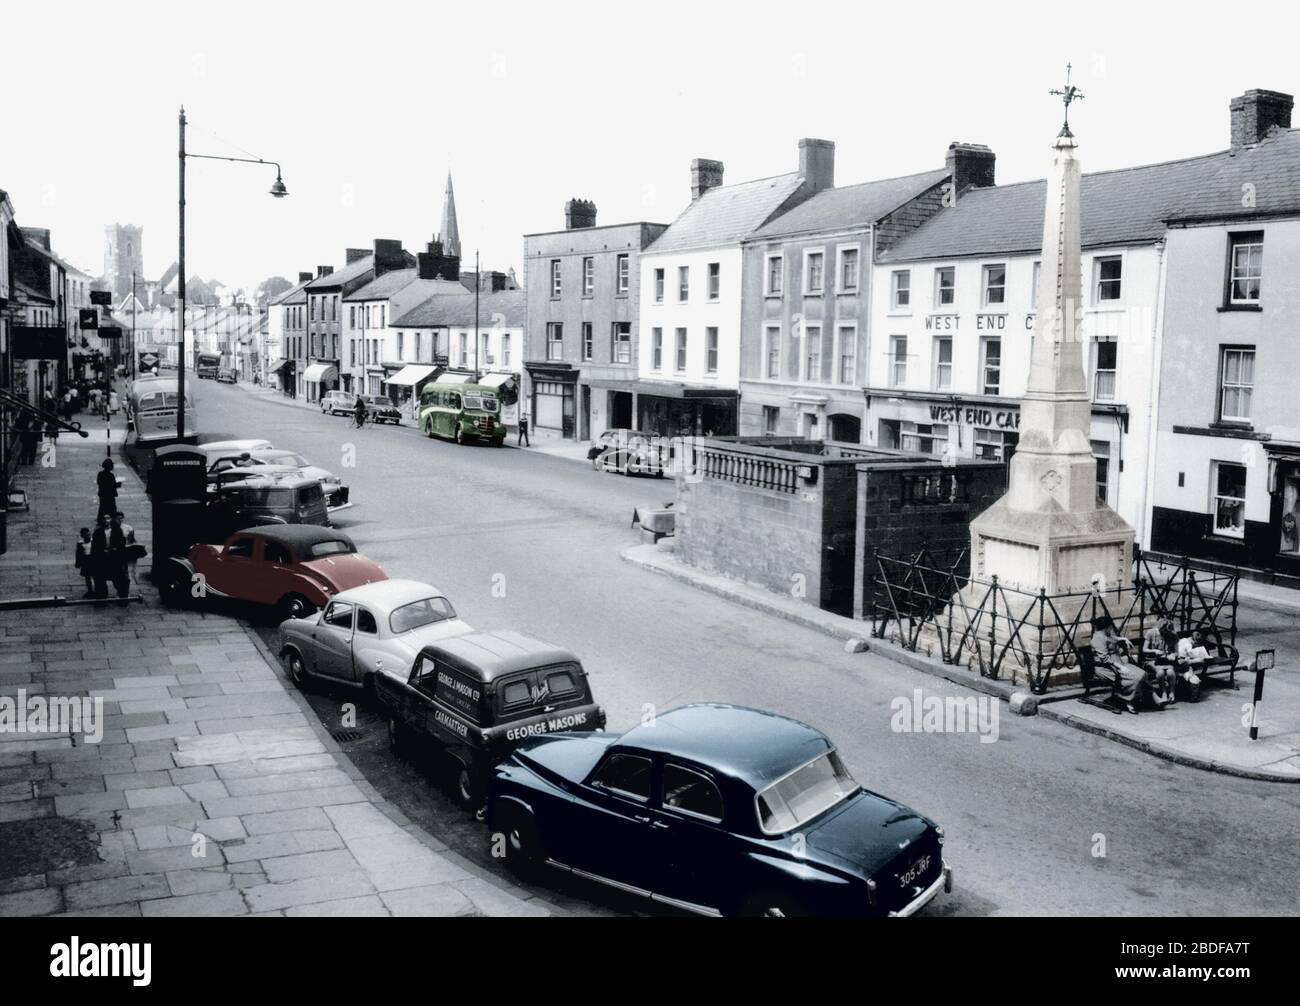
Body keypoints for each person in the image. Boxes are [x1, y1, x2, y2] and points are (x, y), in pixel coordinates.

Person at [1090, 615, 1149, 713]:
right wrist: (1120, 667)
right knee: (1136, 677)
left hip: (1117, 664)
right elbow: (1104, 658)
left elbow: (1111, 638)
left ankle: (1141, 696)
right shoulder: (1098, 638)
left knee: (1143, 673)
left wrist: (1123, 639)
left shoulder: (1103, 635)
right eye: (1110, 627)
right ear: (1107, 627)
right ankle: (1126, 699)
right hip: (1106, 668)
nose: (1111, 629)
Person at [1141, 618, 1177, 706]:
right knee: (1160, 672)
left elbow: (1176, 651)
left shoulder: (1172, 634)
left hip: (1165, 660)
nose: (1166, 634)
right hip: (1152, 660)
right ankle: (1164, 692)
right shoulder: (1151, 633)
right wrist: (1154, 651)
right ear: (1160, 629)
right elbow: (1144, 649)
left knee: (1170, 672)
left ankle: (1172, 692)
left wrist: (1173, 655)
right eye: (1164, 632)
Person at [115, 511, 143, 584]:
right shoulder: (112, 528)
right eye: (117, 518)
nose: (119, 520)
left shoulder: (128, 528)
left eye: (121, 518)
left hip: (126, 548)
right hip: (117, 550)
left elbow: (132, 539)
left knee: (126, 568)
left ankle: (127, 580)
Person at [74, 527, 94, 598]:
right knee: (87, 577)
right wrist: (78, 563)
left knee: (94, 576)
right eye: (86, 535)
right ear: (83, 536)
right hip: (86, 561)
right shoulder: (80, 543)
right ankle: (90, 590)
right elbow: (78, 553)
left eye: (89, 534)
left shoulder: (93, 541)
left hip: (93, 560)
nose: (88, 536)